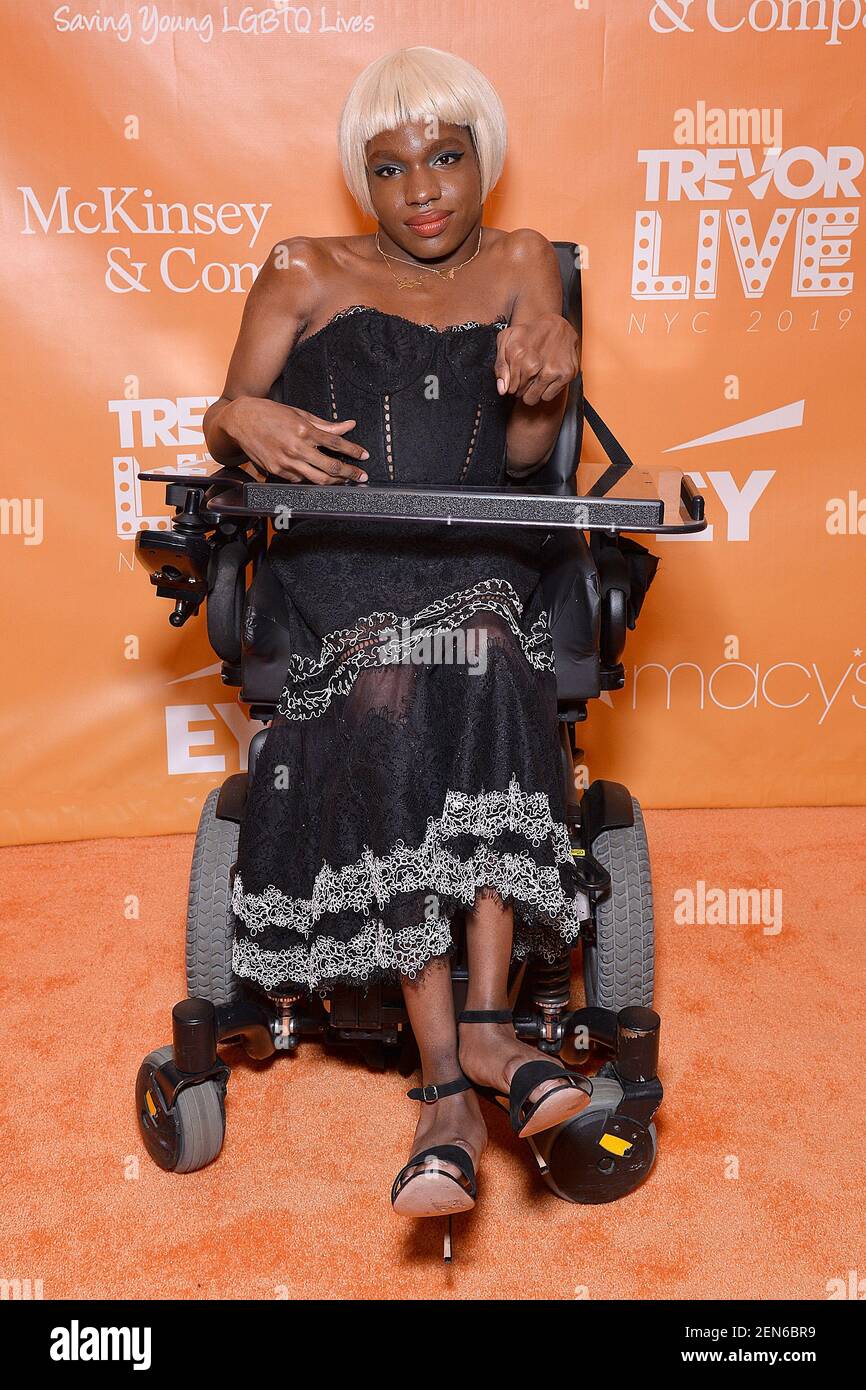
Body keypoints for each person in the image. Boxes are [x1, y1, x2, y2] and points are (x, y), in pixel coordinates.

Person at [202, 45, 590, 1224]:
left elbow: (523, 466)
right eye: (388, 167)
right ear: (359, 180)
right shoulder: (301, 268)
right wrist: (241, 417)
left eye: (444, 156)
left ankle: (472, 1050)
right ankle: (452, 1077)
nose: (420, 188)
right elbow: (225, 416)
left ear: (483, 159)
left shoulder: (529, 263)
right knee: (385, 683)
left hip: (476, 561)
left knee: (470, 645)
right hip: (336, 574)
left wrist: (547, 381)